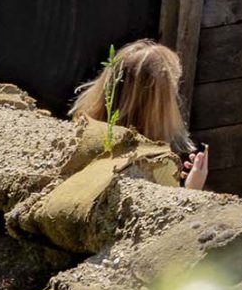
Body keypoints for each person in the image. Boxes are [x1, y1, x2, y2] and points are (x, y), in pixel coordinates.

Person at [68, 38, 211, 190]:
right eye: (172, 91)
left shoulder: (79, 135)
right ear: (160, 106)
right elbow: (167, 212)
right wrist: (192, 189)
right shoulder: (158, 164)